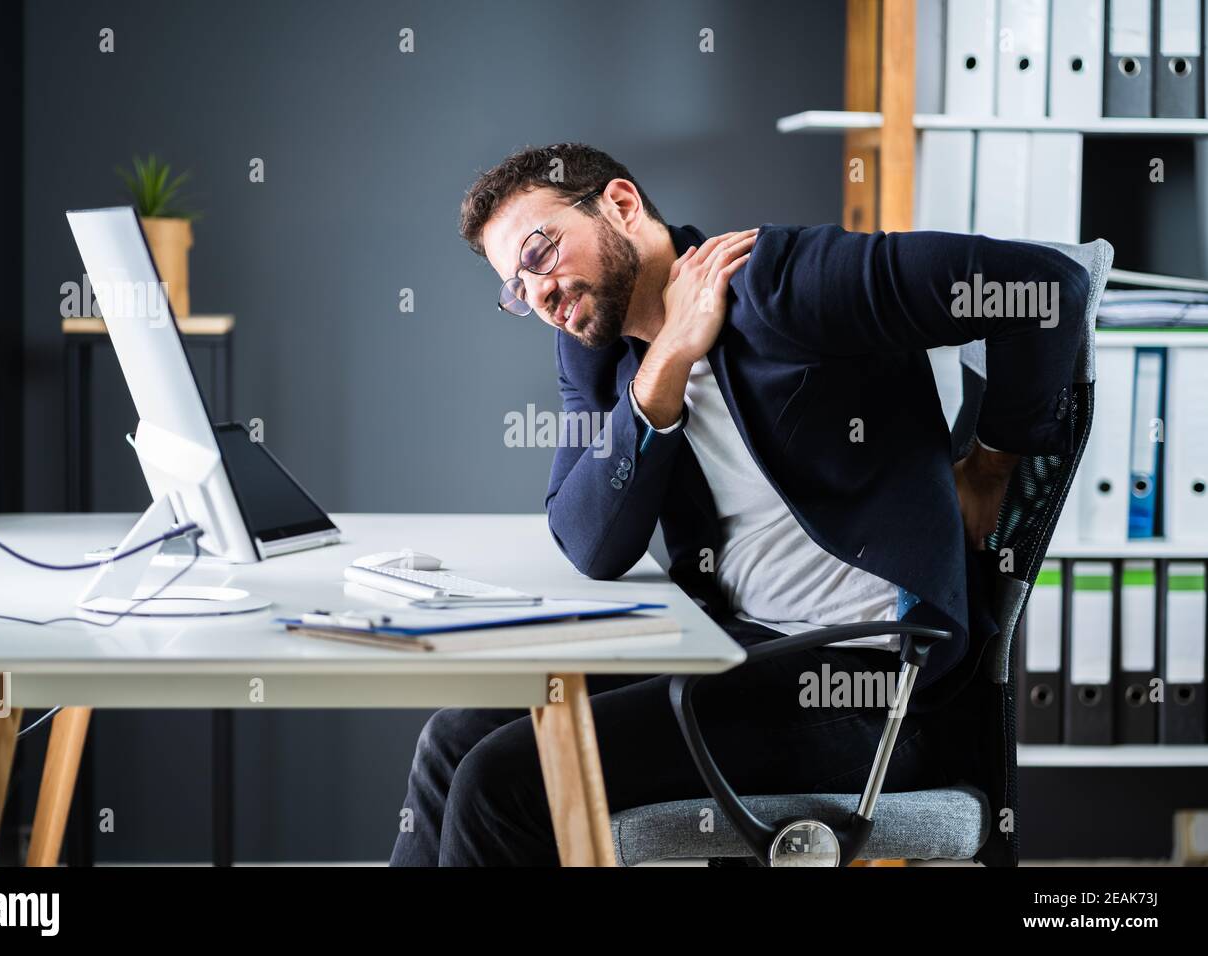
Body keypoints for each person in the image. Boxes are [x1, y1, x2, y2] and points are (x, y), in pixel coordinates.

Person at [390, 143, 1088, 866]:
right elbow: (592, 545)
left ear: (621, 206)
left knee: (503, 782)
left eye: (539, 252)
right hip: (737, 649)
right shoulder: (596, 345)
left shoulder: (787, 283)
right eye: (515, 288)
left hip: (867, 684)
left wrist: (990, 467)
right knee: (455, 737)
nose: (536, 293)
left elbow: (1047, 288)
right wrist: (668, 363)